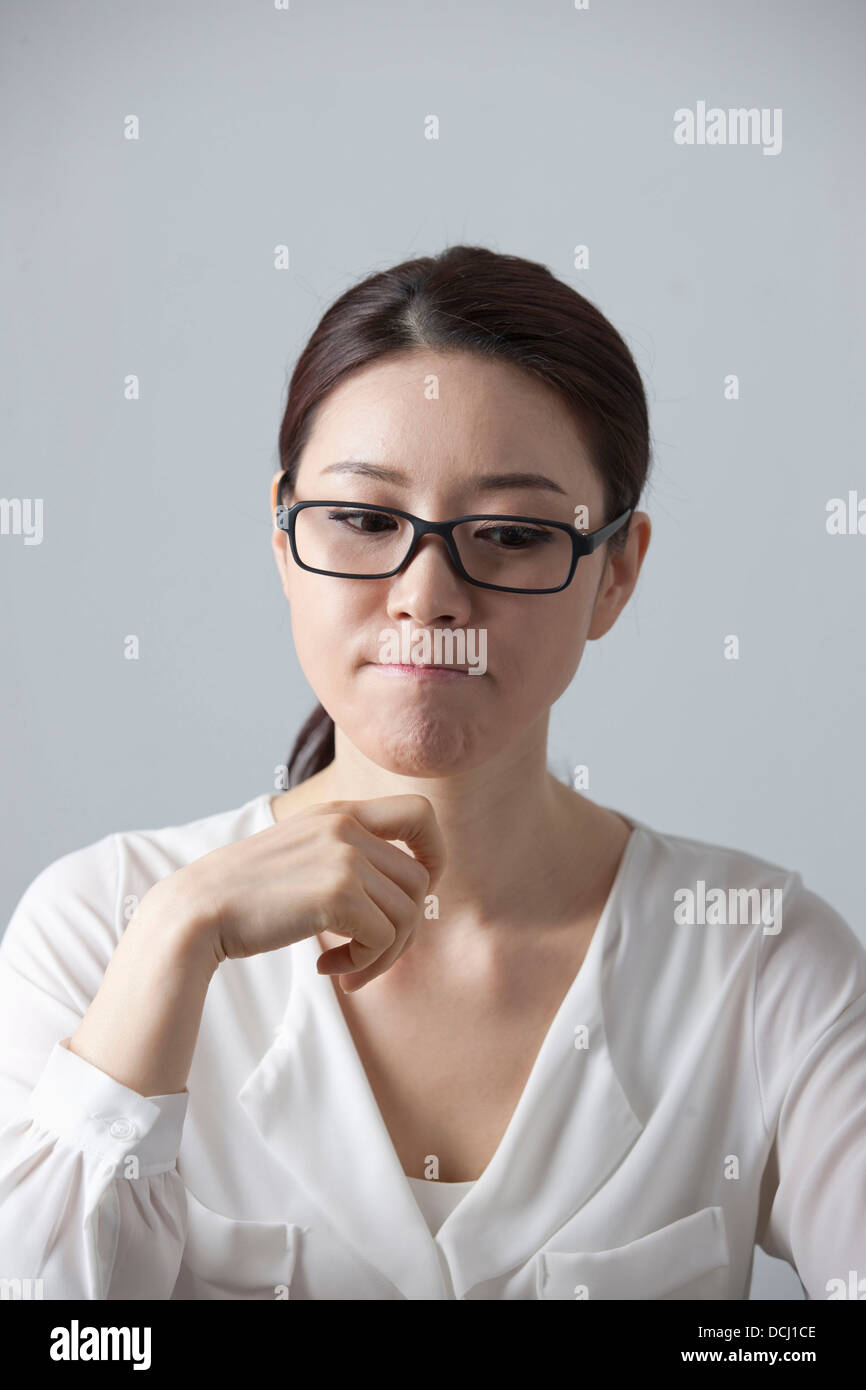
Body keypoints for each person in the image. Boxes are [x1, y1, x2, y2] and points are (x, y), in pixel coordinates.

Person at [0, 245, 863, 1301]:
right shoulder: (101, 924)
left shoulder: (760, 957)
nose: (426, 596)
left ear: (616, 572)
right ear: (281, 538)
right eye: (364, 521)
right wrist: (176, 939)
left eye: (506, 534)